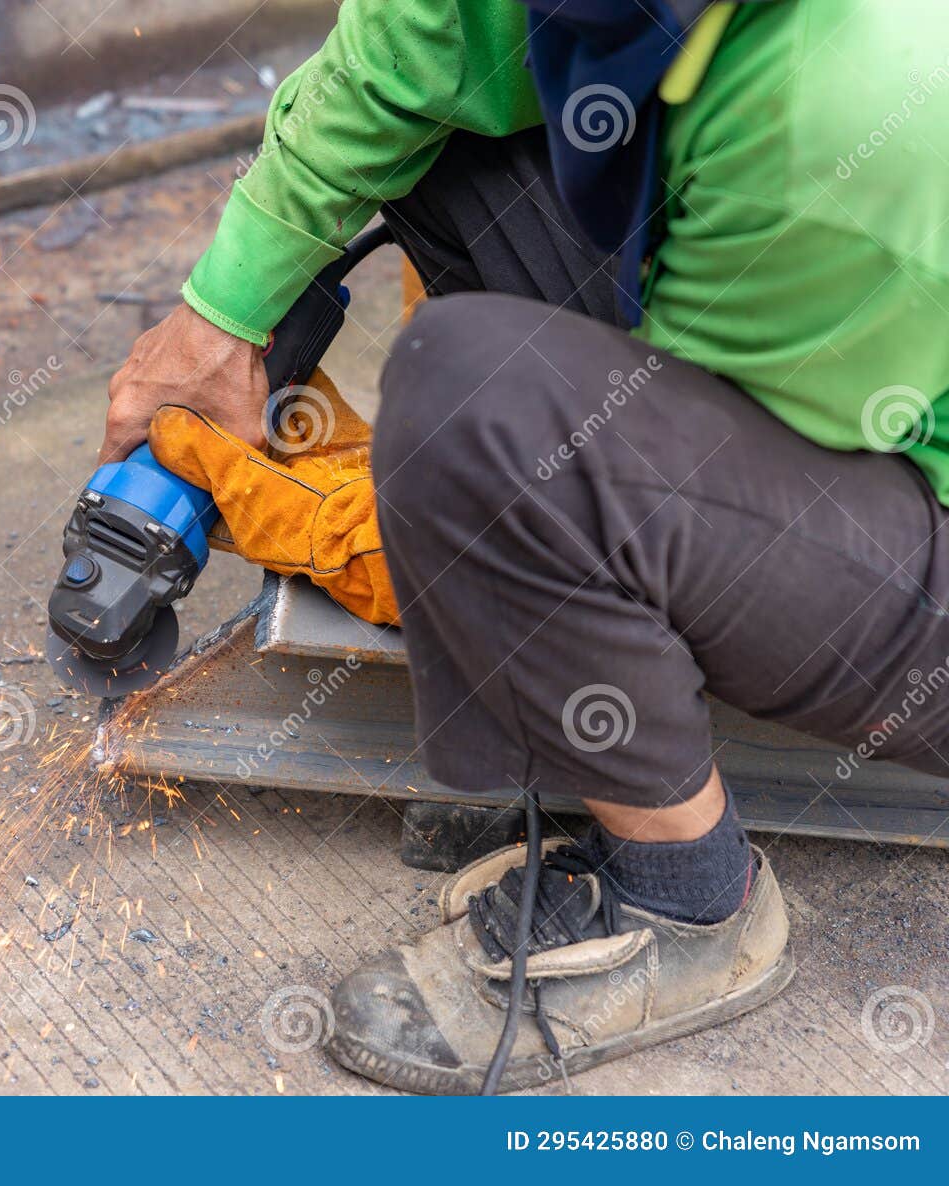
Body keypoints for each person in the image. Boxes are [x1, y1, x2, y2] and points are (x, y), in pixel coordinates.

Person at [98, 0, 949, 1093]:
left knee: (472, 406)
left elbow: (671, 451)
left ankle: (685, 897)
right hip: (817, 311)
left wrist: (398, 519)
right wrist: (226, 307)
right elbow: (422, 42)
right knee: (447, 148)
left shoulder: (857, 105)